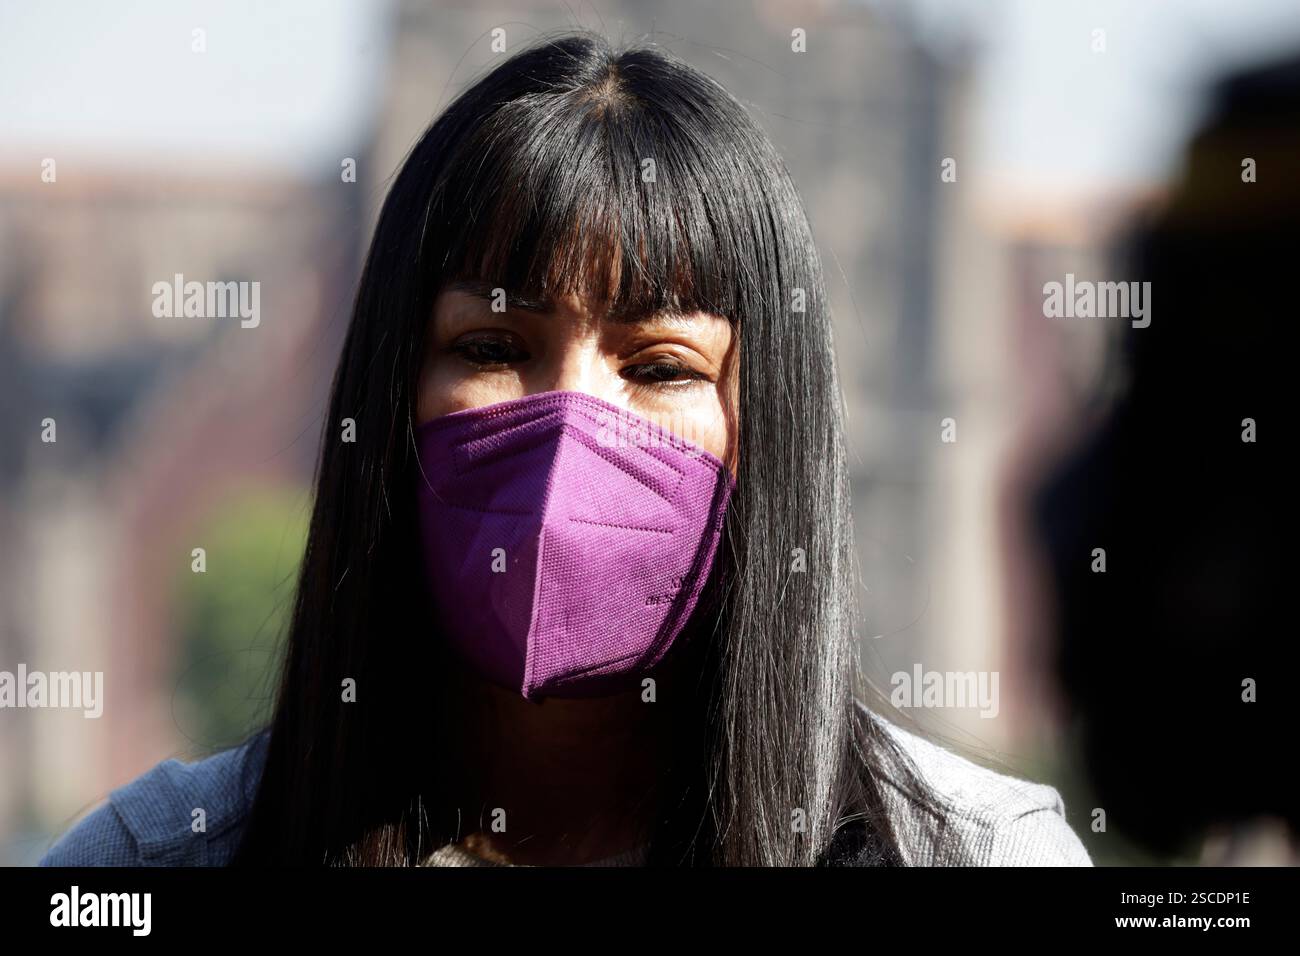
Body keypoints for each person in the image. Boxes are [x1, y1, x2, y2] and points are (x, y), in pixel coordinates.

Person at [40, 31, 1090, 868]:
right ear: (388, 392)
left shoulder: (968, 849)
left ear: (770, 424)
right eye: (493, 347)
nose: (570, 421)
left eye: (661, 363)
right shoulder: (167, 857)